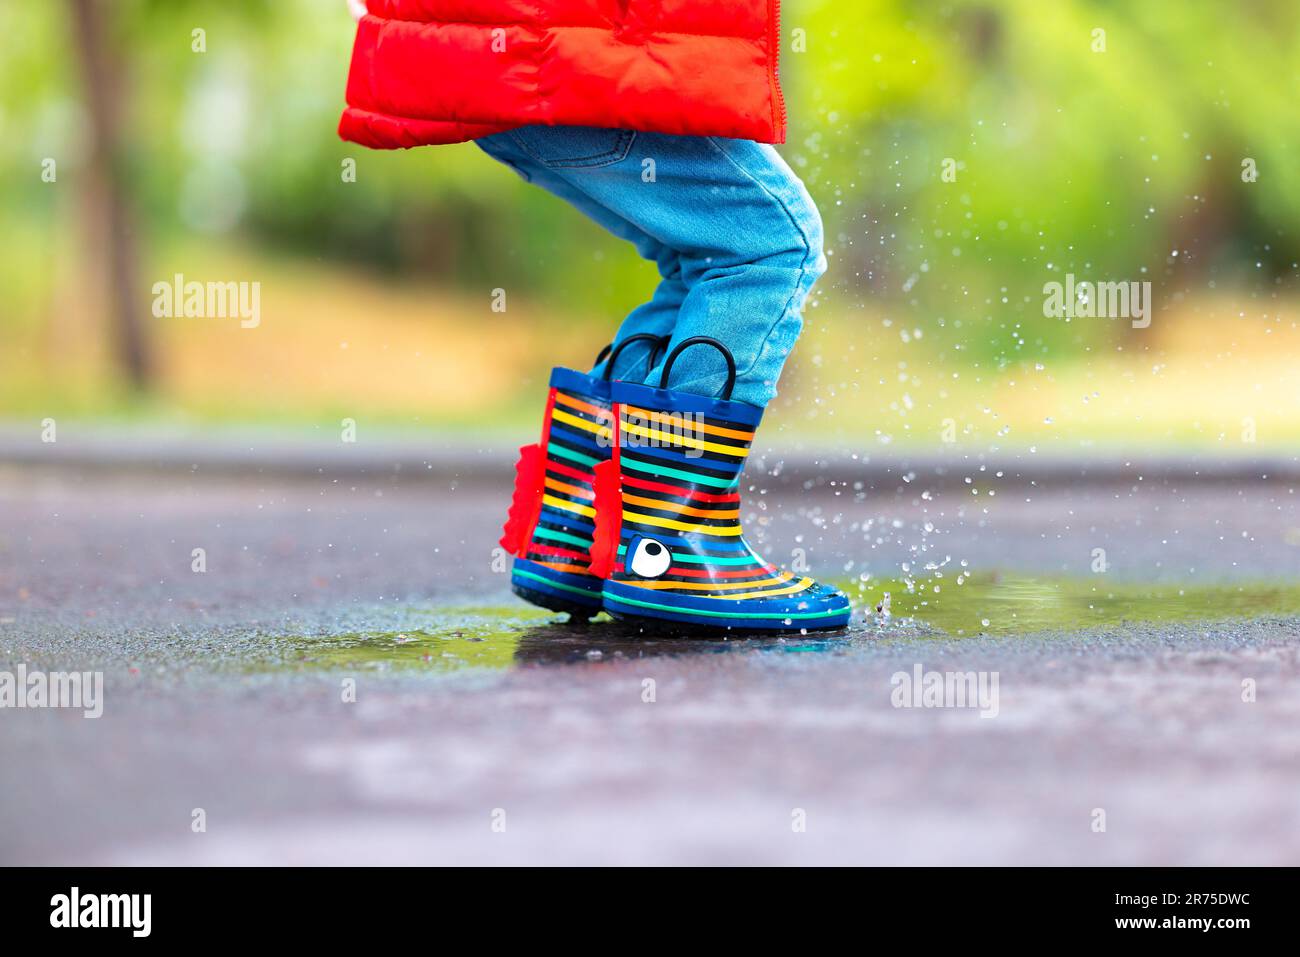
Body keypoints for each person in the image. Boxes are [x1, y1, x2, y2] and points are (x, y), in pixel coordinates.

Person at [340, 0, 852, 631]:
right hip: (572, 46)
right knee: (773, 245)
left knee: (703, 255)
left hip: (513, 50)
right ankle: (672, 544)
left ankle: (584, 531)